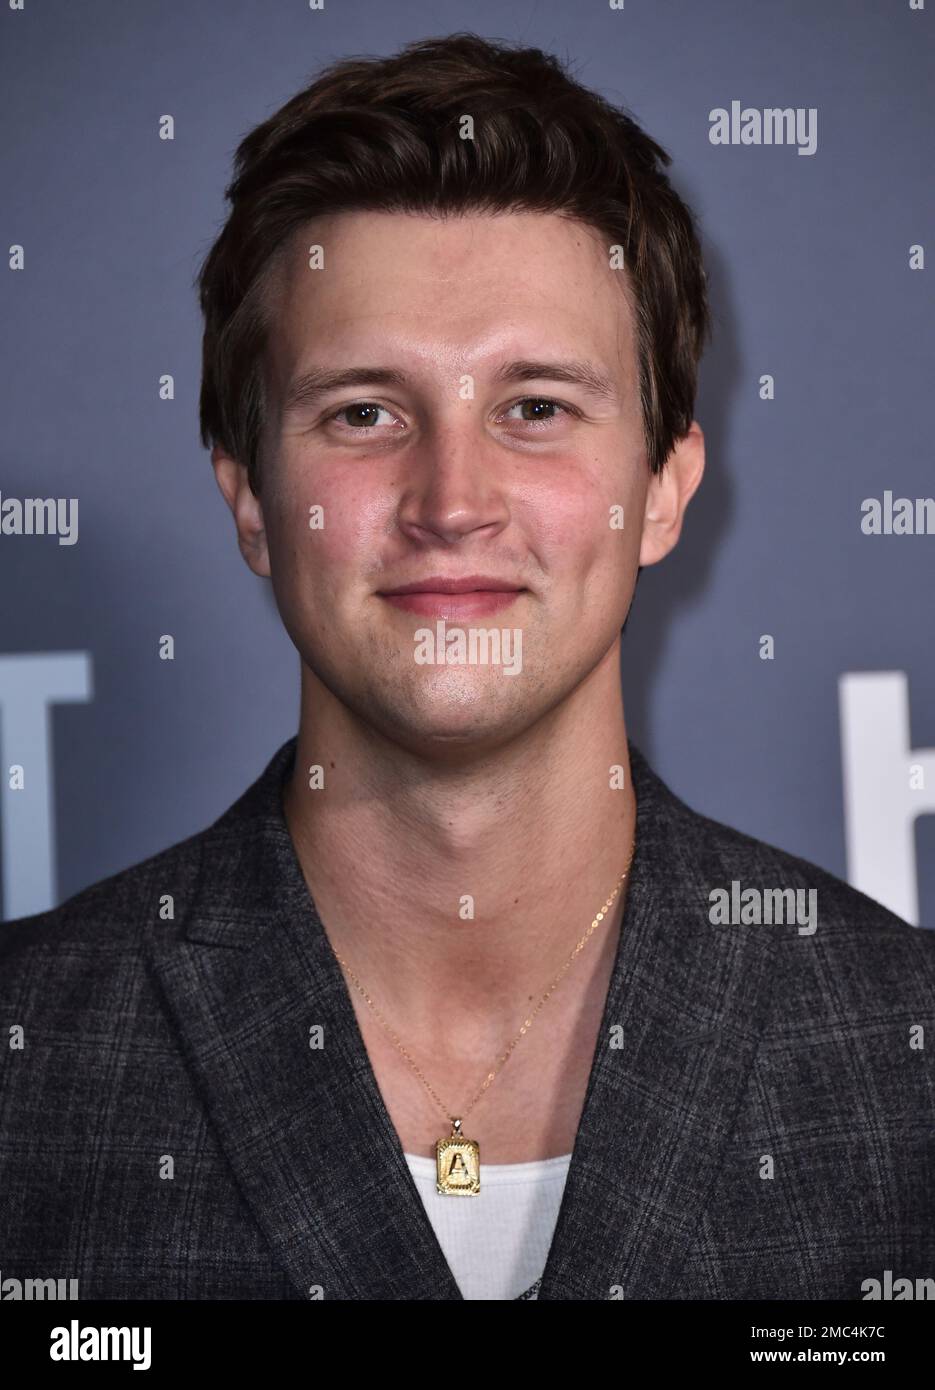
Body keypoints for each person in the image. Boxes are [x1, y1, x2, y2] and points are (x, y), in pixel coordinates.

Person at [1, 33, 932, 1303]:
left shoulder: (902, 1056)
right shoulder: (28, 1062)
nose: (452, 501)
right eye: (364, 412)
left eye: (534, 406)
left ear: (662, 488)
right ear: (252, 502)